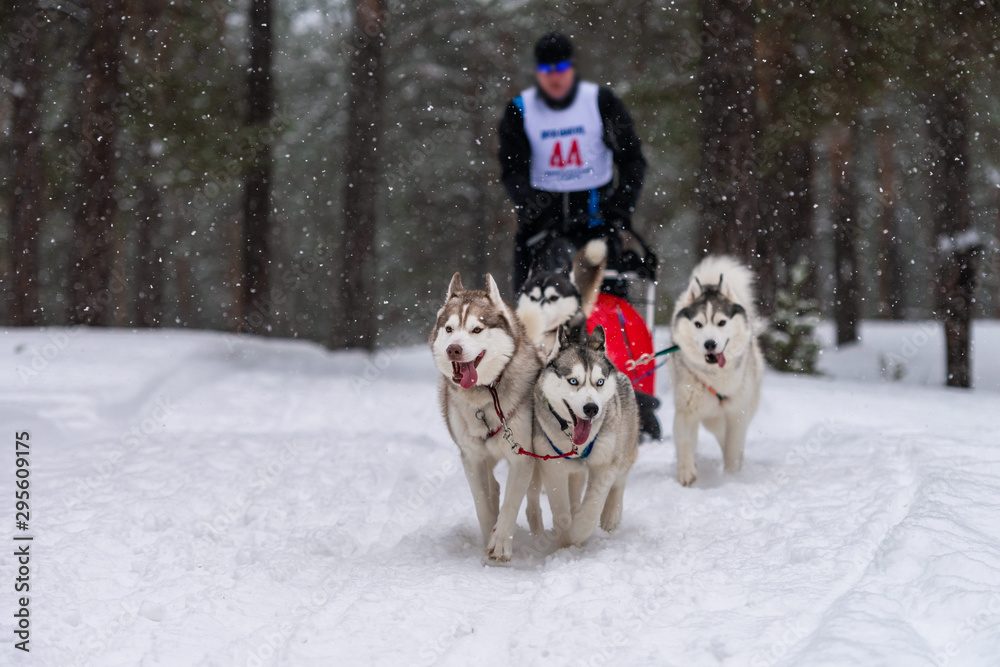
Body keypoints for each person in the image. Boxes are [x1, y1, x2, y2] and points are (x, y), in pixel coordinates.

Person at [498, 32, 647, 295]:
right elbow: (513, 172)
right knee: (530, 312)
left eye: (562, 67)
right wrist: (532, 209)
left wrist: (622, 206)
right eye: (546, 68)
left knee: (606, 311)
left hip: (597, 219)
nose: (555, 76)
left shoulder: (601, 102)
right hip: (543, 222)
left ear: (572, 67)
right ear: (537, 71)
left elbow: (632, 159)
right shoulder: (520, 111)